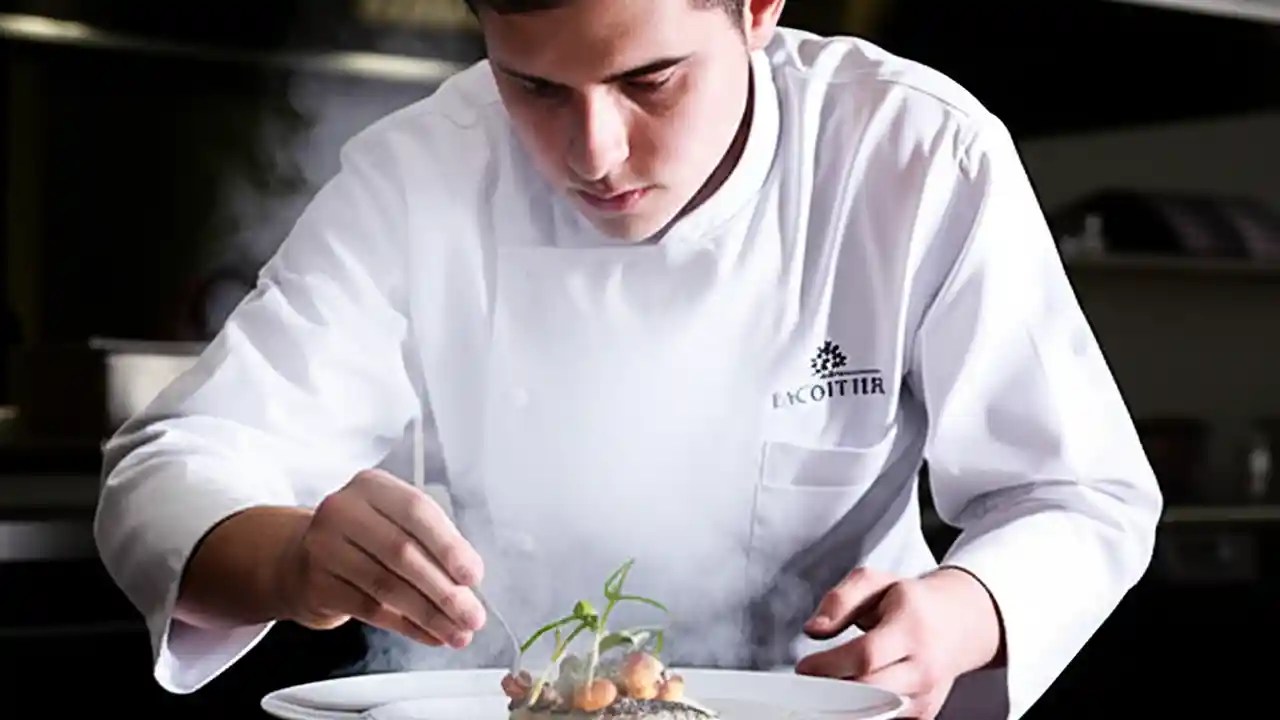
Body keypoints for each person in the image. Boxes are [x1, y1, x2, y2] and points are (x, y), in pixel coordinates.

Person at [93, 1, 1163, 718]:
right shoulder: (423, 168)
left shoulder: (913, 153)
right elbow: (174, 464)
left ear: (756, 8)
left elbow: (1077, 491)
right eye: (534, 89)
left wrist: (961, 610)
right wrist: (292, 559)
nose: (591, 154)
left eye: (649, 82)